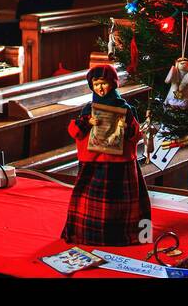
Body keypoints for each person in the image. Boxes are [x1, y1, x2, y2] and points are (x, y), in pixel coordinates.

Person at [61, 65, 151, 246]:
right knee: (91, 204)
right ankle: (89, 236)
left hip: (119, 163)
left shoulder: (124, 108)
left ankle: (123, 236)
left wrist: (127, 129)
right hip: (95, 163)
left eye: (104, 83)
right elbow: (75, 132)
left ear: (113, 84)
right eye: (96, 84)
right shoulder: (88, 109)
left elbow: (136, 135)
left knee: (120, 204)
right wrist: (86, 122)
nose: (100, 88)